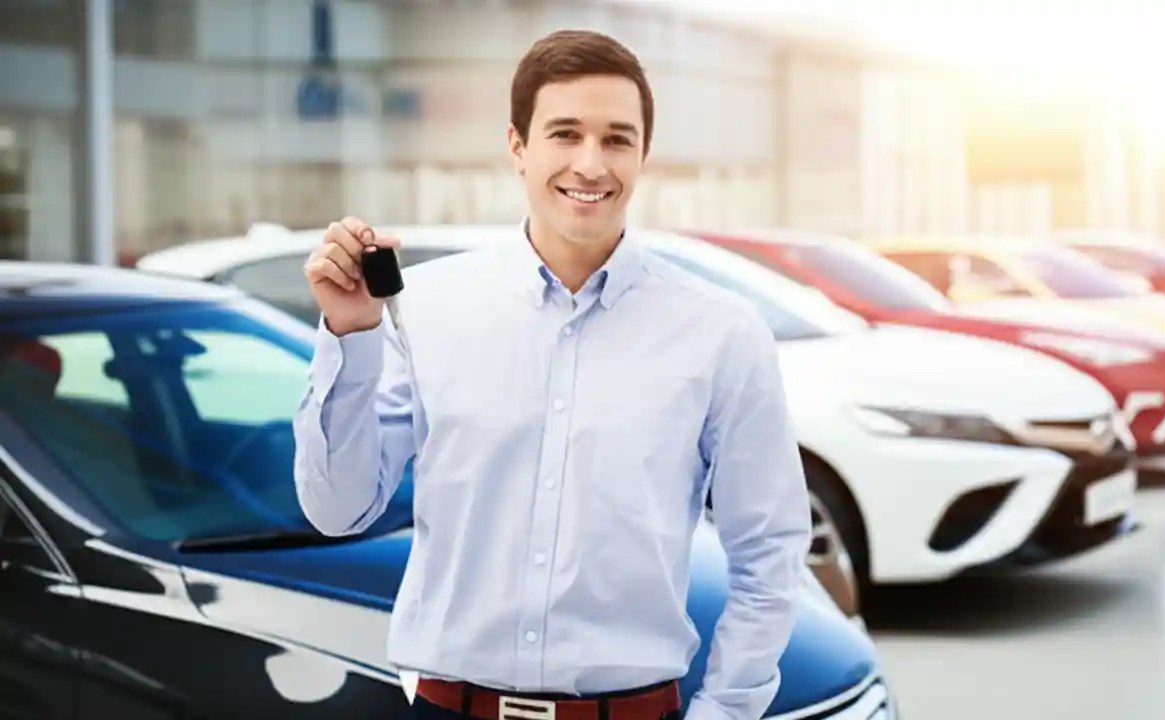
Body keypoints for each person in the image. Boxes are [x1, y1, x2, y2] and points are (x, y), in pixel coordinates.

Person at [293, 28, 810, 720]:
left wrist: (726, 711)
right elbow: (337, 510)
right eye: (564, 134)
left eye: (617, 139)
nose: (591, 164)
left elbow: (769, 552)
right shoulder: (427, 308)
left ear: (643, 154)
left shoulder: (721, 333)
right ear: (518, 147)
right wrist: (351, 336)